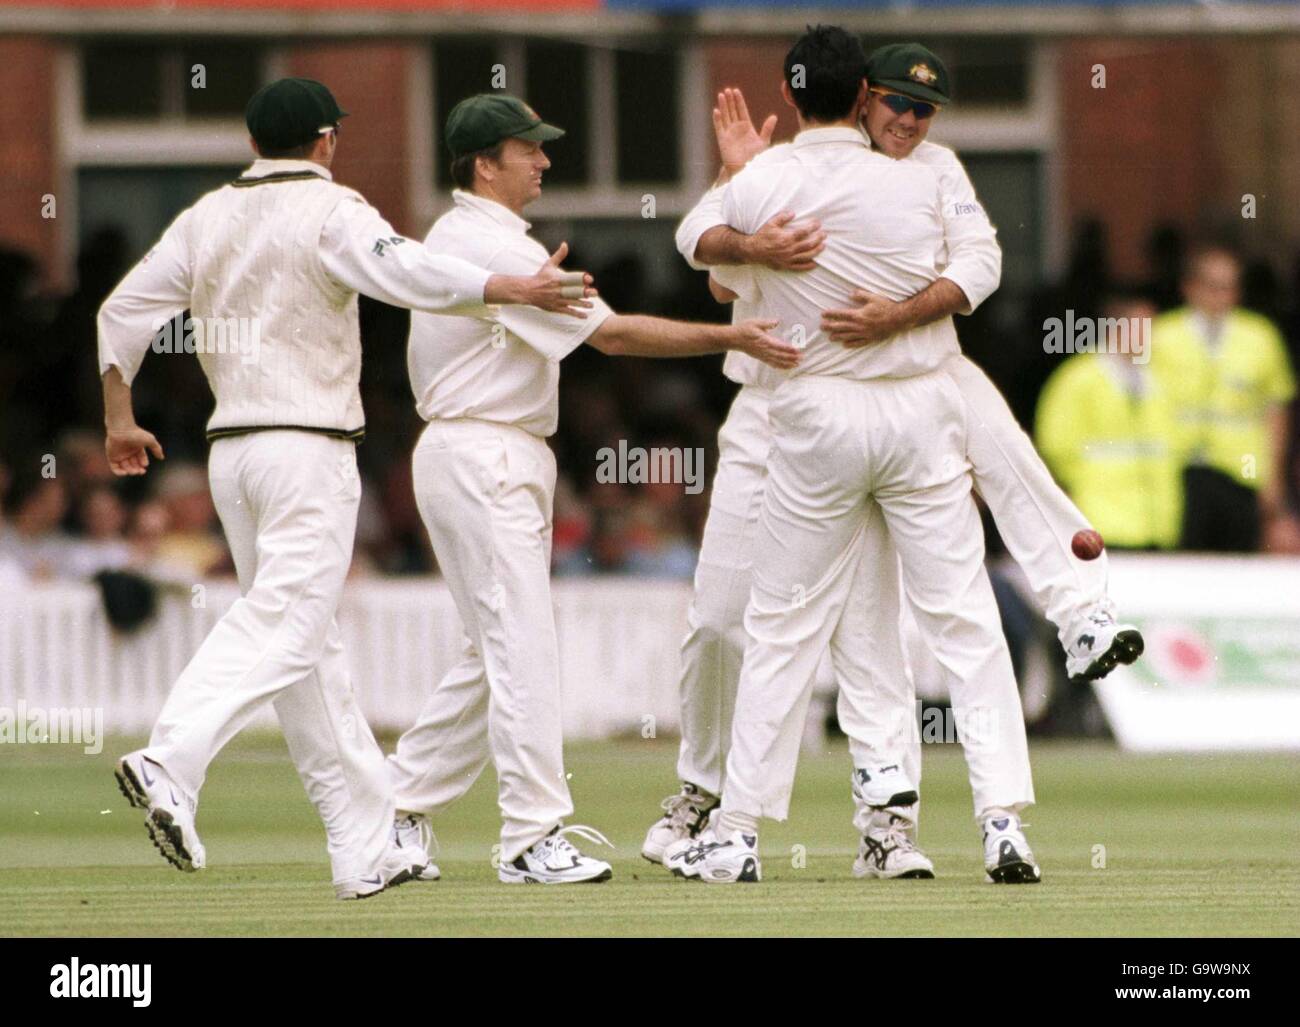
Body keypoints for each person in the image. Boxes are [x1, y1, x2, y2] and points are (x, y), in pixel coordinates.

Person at [99, 77, 593, 899]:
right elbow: (413, 274)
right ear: (325, 140)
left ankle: (364, 845)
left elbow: (123, 311)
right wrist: (514, 289)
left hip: (233, 457)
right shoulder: (336, 209)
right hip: (307, 448)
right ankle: (171, 759)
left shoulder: (207, 215)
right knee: (291, 627)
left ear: (255, 142)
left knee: (310, 652)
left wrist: (120, 417)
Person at [657, 30, 1082, 886]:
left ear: (797, 91)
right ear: (861, 100)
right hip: (915, 417)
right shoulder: (917, 179)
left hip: (816, 419)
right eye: (899, 104)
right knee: (960, 619)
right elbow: (982, 264)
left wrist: (745, 211)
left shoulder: (775, 179)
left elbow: (693, 241)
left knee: (783, 625)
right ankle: (1002, 822)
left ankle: (738, 833)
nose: (914, 121)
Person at [385, 94, 798, 885]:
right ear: (483, 164)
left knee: (492, 653)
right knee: (522, 648)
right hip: (484, 452)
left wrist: (729, 184)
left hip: (491, 451)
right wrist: (733, 336)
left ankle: (397, 809)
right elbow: (611, 334)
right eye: (527, 150)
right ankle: (530, 836)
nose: (543, 161)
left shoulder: (488, 237)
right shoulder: (480, 242)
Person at [1149, 245, 1300, 552]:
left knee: (1238, 564)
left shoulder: (1260, 336)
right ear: (1190, 287)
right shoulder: (1161, 336)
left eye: (1231, 286)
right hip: (1178, 467)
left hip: (1240, 470)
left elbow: (1275, 407)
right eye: (1214, 286)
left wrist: (1274, 477)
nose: (1224, 296)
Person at [1036, 289, 1183, 550]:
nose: (1151, 338)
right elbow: (1056, 446)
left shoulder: (1160, 380)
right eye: (1141, 328)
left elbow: (1174, 444)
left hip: (1157, 524)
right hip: (1100, 520)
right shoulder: (1079, 378)